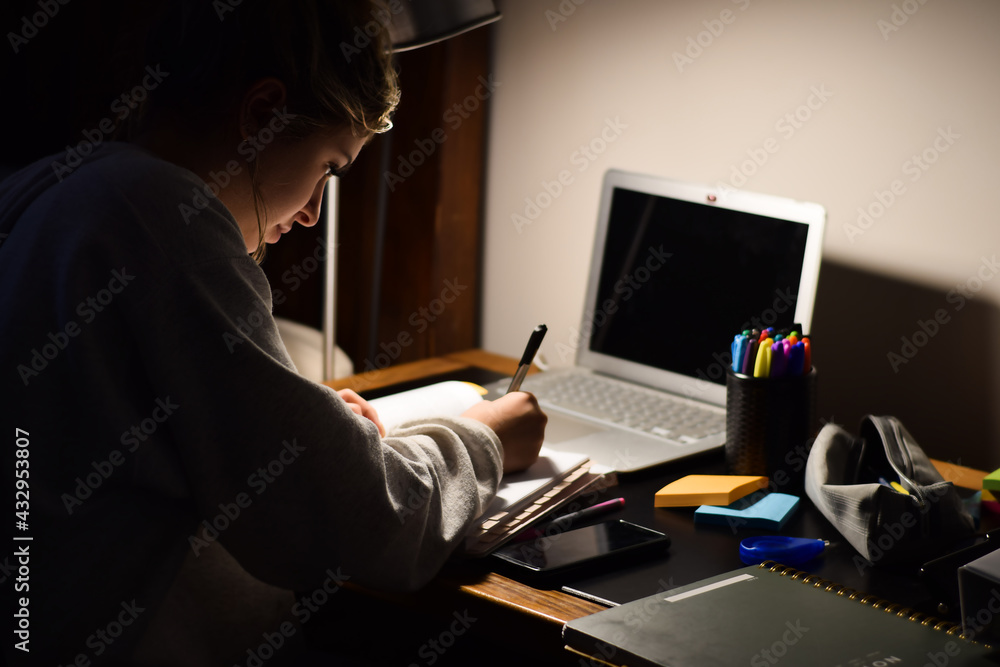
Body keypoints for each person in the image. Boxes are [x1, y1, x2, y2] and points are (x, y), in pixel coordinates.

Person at [0, 1, 545, 664]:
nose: (314, 212)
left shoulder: (59, 186)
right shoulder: (166, 220)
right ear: (262, 115)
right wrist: (485, 439)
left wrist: (309, 425)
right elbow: (354, 523)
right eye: (328, 166)